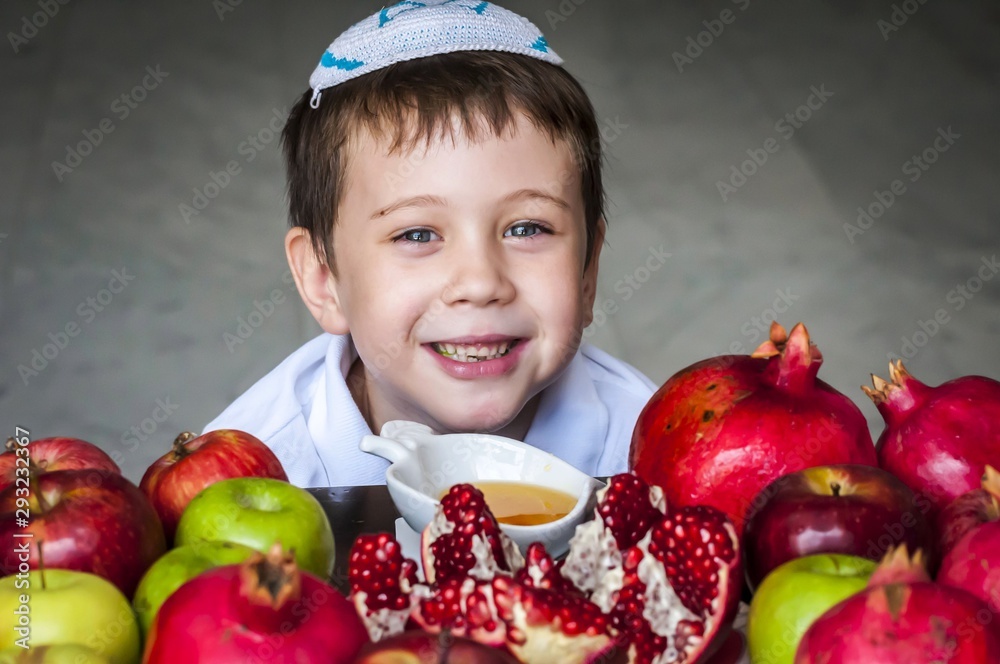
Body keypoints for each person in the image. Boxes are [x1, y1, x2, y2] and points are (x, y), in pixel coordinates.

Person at [204, 0, 656, 488]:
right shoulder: (258, 471)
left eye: (527, 228)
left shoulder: (649, 448)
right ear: (324, 281)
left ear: (588, 273)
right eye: (417, 234)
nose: (481, 283)